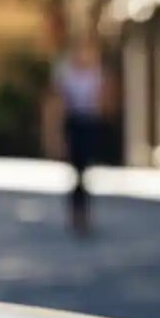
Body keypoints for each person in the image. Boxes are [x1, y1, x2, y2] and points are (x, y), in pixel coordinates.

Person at [45, 38, 111, 235]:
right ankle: (77, 213)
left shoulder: (96, 72)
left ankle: (83, 213)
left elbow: (103, 98)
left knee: (84, 171)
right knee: (78, 170)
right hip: (73, 123)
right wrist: (53, 134)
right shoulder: (65, 72)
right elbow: (56, 101)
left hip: (90, 122)